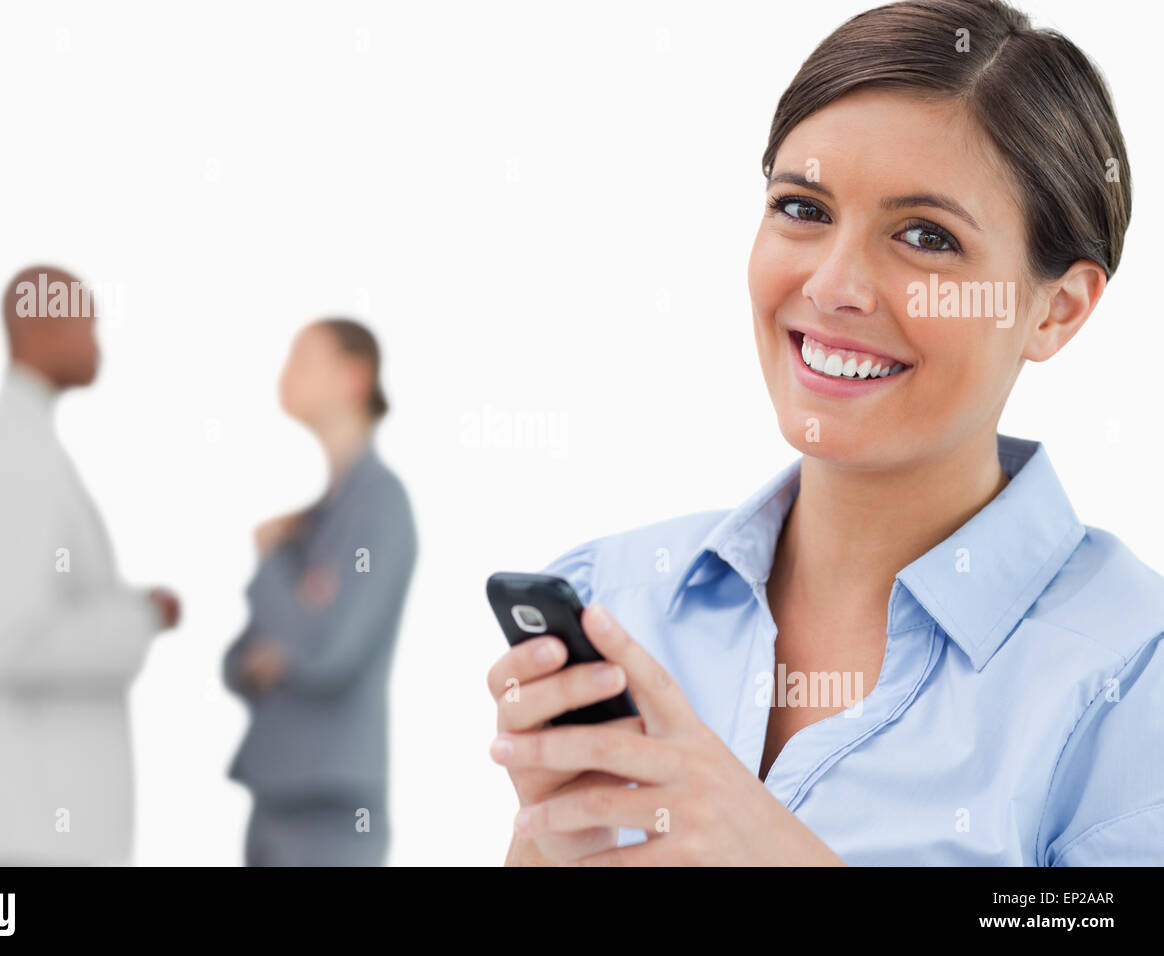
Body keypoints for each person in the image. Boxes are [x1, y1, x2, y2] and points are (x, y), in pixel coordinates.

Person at [488, 0, 1164, 865]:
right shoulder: (617, 599)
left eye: (926, 237)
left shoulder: (1133, 676)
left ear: (1057, 311)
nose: (835, 284)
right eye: (803, 209)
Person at [0, 264, 180, 865]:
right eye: (86, 321)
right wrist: (138, 618)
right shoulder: (15, 464)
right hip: (17, 845)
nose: (97, 340)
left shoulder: (25, 452)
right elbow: (11, 640)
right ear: (41, 329)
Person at [224, 318, 417, 866]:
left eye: (304, 359)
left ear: (356, 378)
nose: (286, 373)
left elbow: (326, 651)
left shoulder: (380, 504)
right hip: (278, 791)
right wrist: (292, 609)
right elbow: (240, 661)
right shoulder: (311, 524)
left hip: (331, 804)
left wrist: (269, 564)